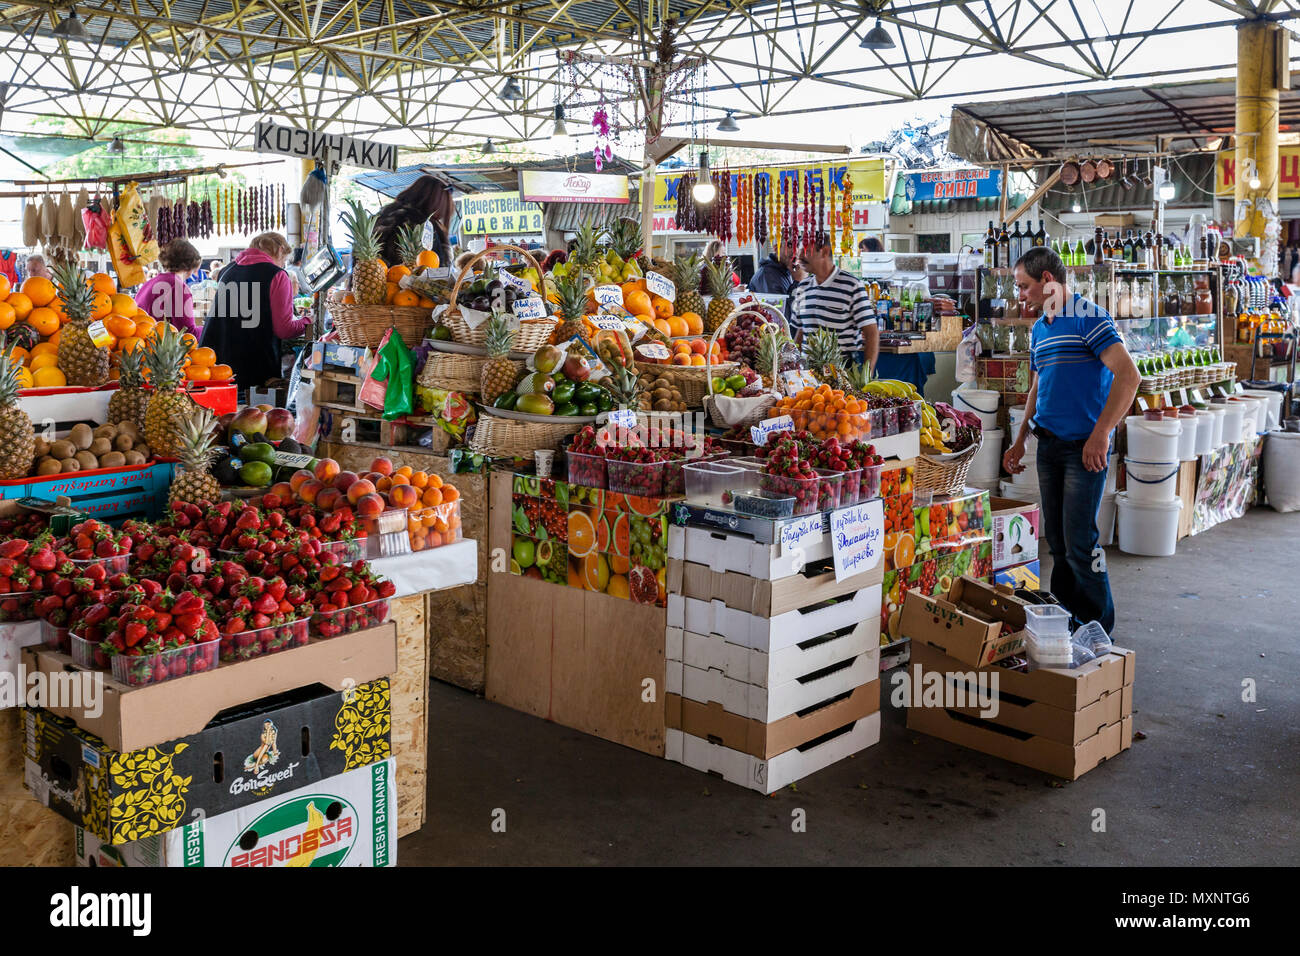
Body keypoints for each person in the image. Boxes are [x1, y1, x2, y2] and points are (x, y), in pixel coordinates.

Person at [1003, 247, 1140, 635]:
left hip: (1085, 449)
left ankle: (1099, 626)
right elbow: (1038, 385)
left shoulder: (1089, 318)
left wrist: (1101, 435)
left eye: (1024, 286)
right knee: (1059, 545)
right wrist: (1021, 439)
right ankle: (1065, 622)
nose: (1020, 295)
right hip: (1048, 446)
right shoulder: (1040, 328)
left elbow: (1129, 378)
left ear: (1048, 280)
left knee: (1081, 543)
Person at [199, 233, 310, 392]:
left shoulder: (227, 270)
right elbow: (284, 329)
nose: (282, 265)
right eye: (283, 260)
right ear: (279, 251)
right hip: (253, 367)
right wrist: (307, 321)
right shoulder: (277, 275)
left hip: (216, 363)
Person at [790, 237, 879, 369]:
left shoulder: (852, 285)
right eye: (799, 252)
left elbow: (871, 332)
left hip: (843, 370)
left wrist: (867, 375)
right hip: (808, 371)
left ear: (825, 252)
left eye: (806, 251)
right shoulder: (802, 287)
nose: (800, 257)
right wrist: (793, 364)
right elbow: (800, 330)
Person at [374, 175, 455, 268]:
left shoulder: (382, 215)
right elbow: (437, 269)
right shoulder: (422, 225)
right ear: (436, 203)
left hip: (371, 278)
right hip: (405, 280)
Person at [135, 239, 201, 335]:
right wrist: (210, 328)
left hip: (141, 344)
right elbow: (189, 335)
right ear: (191, 266)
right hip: (157, 346)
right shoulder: (178, 287)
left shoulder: (149, 283)